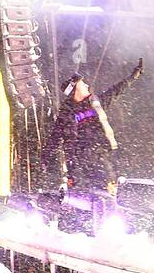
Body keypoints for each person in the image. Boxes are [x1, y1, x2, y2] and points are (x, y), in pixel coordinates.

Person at [42, 58, 144, 194]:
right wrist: (46, 160)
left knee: (109, 189)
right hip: (81, 162)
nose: (86, 85)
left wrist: (132, 77)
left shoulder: (95, 102)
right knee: (86, 193)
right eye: (82, 84)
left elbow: (115, 91)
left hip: (102, 155)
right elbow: (54, 139)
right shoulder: (66, 114)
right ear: (75, 90)